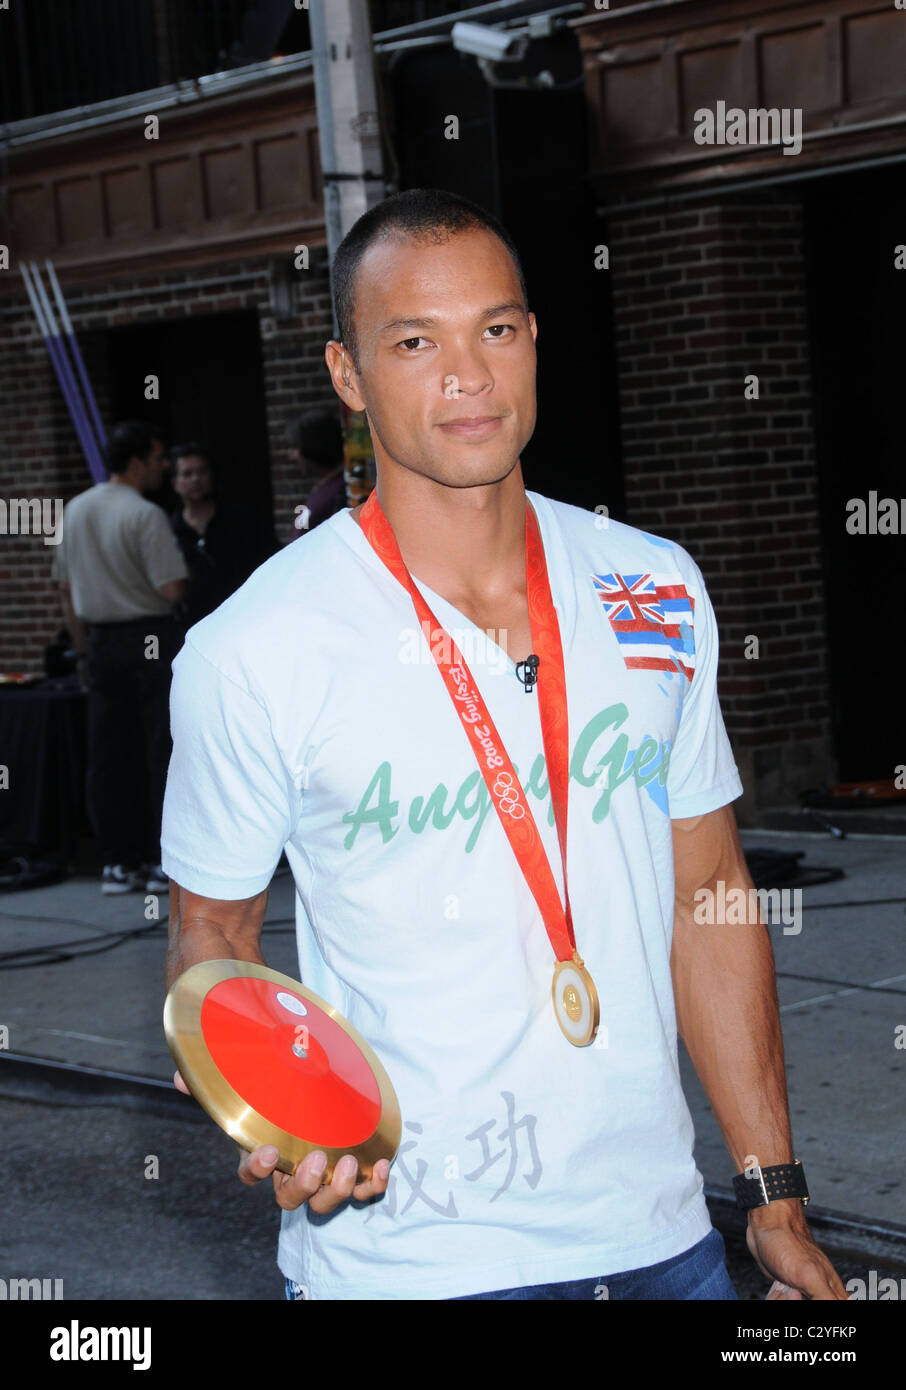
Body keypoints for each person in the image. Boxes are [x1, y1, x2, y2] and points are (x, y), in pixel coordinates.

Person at [161, 189, 847, 1301]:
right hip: (408, 1261)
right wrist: (280, 1106)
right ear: (348, 373)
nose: (467, 375)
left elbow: (711, 895)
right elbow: (211, 937)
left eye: (496, 328)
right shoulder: (255, 646)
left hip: (664, 1246)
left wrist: (772, 1196)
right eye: (415, 340)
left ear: (533, 339)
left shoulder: (654, 586)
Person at [53, 420, 188, 895]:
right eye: (156, 459)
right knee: (159, 749)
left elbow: (66, 591)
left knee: (109, 754)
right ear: (135, 463)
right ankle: (159, 860)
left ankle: (116, 862)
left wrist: (83, 650)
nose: (163, 468)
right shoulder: (144, 514)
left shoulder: (74, 511)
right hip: (149, 639)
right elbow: (170, 588)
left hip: (101, 645)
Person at [169, 443, 278, 628]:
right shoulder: (170, 531)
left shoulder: (241, 521)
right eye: (187, 474)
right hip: (193, 626)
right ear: (175, 483)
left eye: (202, 472)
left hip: (243, 618)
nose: (196, 479)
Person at [287, 408, 347, 533]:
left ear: (313, 447)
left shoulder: (338, 494)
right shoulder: (325, 488)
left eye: (295, 447)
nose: (290, 456)